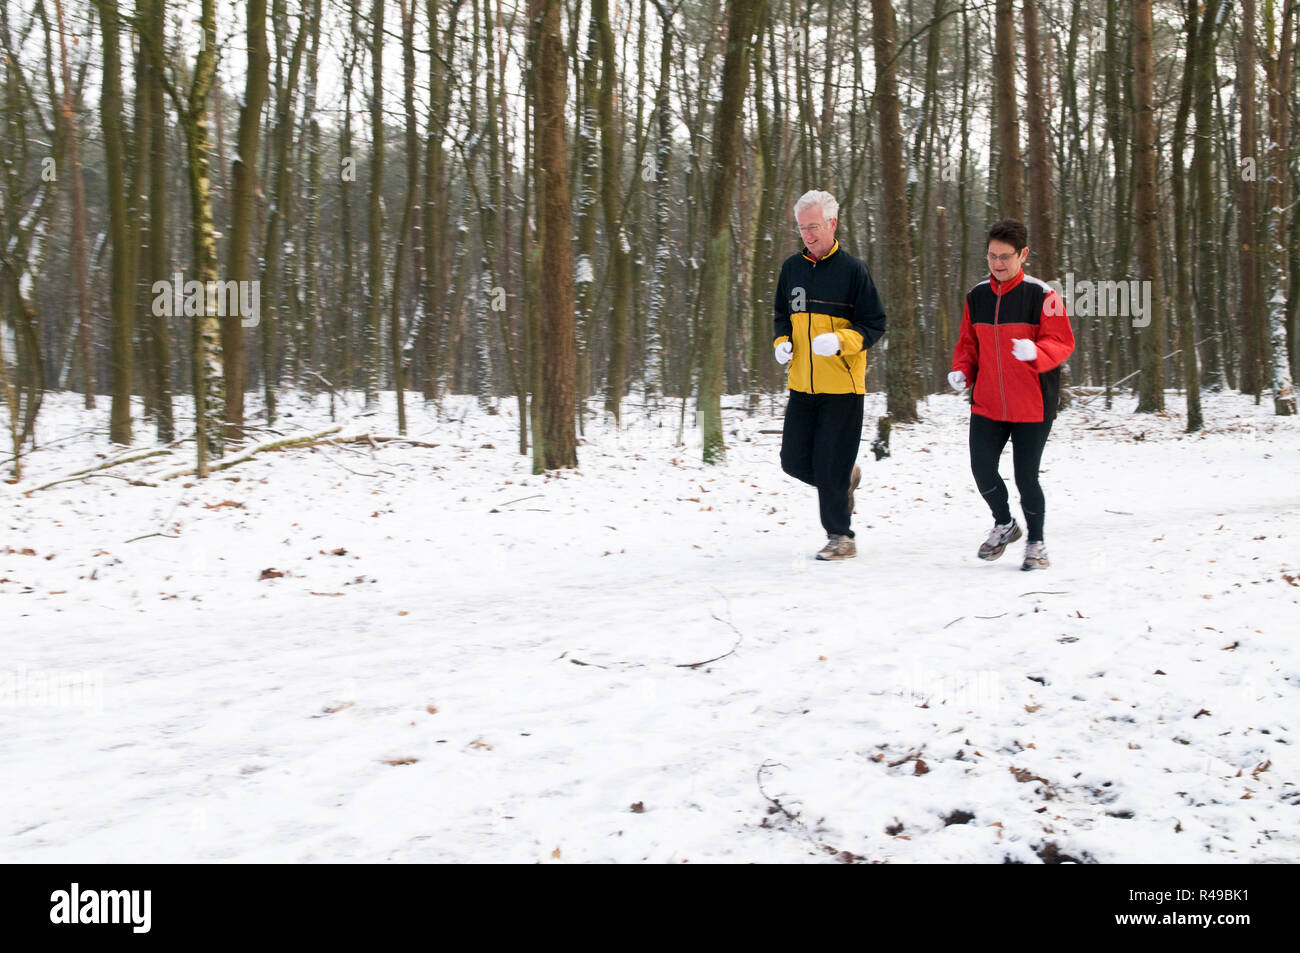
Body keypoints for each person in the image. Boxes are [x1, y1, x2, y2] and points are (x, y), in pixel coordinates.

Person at [949, 219, 1075, 570]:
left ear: (1023, 254)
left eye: (1005, 256)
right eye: (992, 256)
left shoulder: (1043, 295)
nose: (998, 263)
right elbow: (968, 345)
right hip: (988, 402)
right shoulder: (977, 296)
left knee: (1026, 476)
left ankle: (1036, 543)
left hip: (1032, 403)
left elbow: (1062, 341)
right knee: (981, 468)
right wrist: (962, 371)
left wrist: (1037, 353)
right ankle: (1004, 524)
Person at [773, 190, 887, 560]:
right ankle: (844, 480)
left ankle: (841, 537)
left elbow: (874, 324)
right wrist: (781, 342)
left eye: (814, 227)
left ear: (832, 224)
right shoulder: (792, 269)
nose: (807, 234)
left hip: (842, 387)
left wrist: (841, 341)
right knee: (793, 461)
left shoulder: (853, 271)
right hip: (801, 385)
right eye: (802, 228)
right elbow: (781, 316)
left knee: (828, 463)